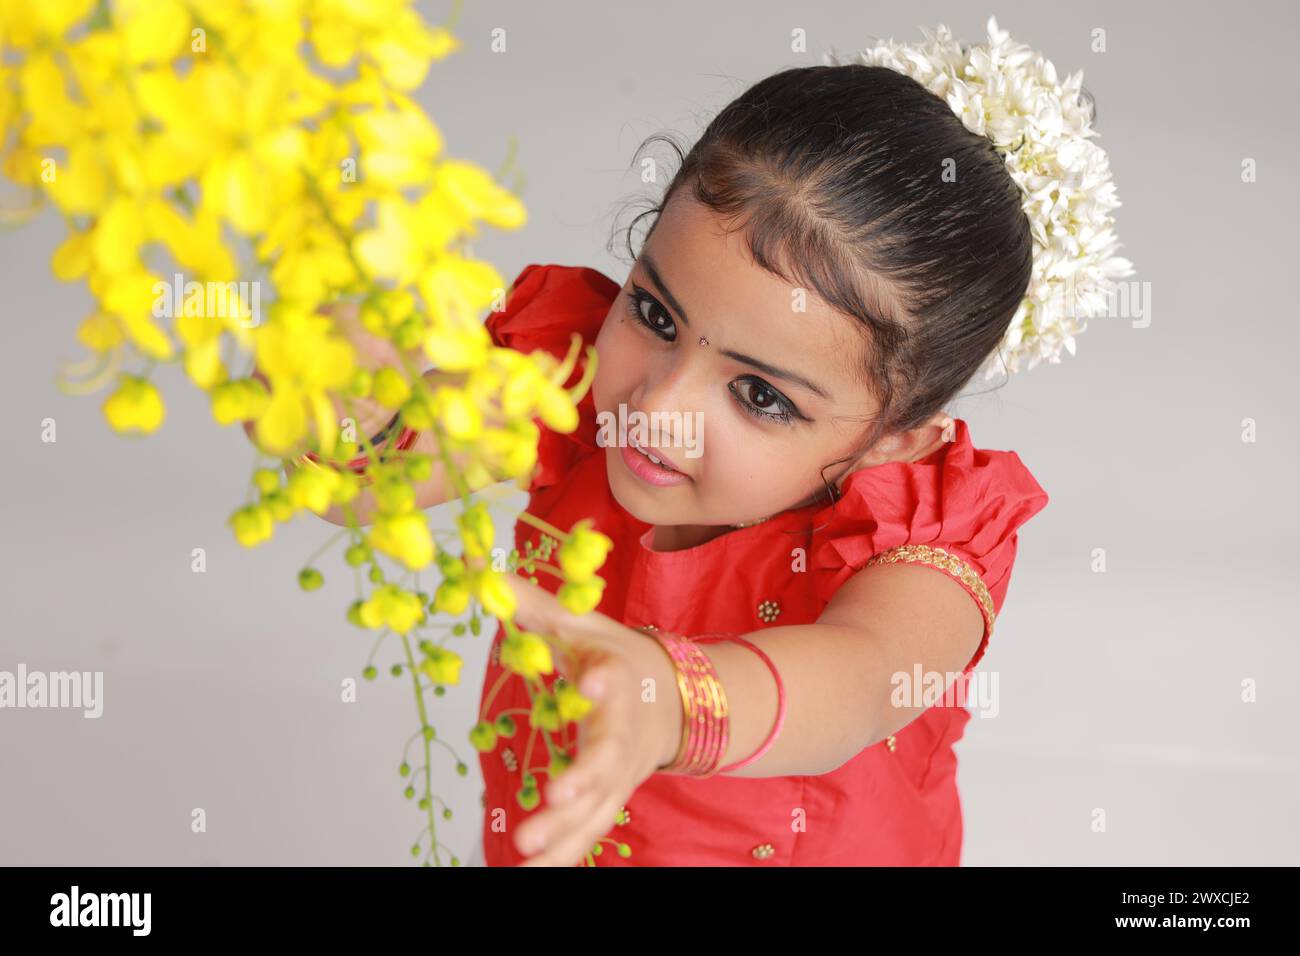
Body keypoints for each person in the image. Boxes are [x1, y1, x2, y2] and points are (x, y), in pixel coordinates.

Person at [286, 19, 1131, 866]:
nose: (657, 408)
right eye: (654, 314)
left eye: (759, 395)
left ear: (895, 439)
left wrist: (672, 699)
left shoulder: (920, 533)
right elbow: (370, 484)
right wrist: (322, 385)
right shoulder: (575, 379)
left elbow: (861, 683)